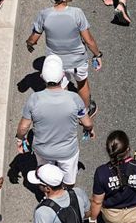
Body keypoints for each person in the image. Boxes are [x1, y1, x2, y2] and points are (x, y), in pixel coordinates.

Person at [27, 0, 103, 115]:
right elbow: (89, 40)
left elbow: (34, 38)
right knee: (82, 83)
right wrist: (97, 54)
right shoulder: (77, 13)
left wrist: (29, 44)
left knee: (62, 87)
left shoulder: (44, 15)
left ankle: (66, 112)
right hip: (78, 61)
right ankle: (85, 111)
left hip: (57, 63)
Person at [16, 56, 93, 184]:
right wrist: (89, 129)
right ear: (63, 76)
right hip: (67, 151)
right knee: (69, 181)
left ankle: (49, 194)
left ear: (42, 77)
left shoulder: (34, 99)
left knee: (46, 177)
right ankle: (67, 195)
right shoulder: (74, 98)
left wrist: (20, 139)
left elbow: (24, 128)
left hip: (43, 150)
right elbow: (87, 123)